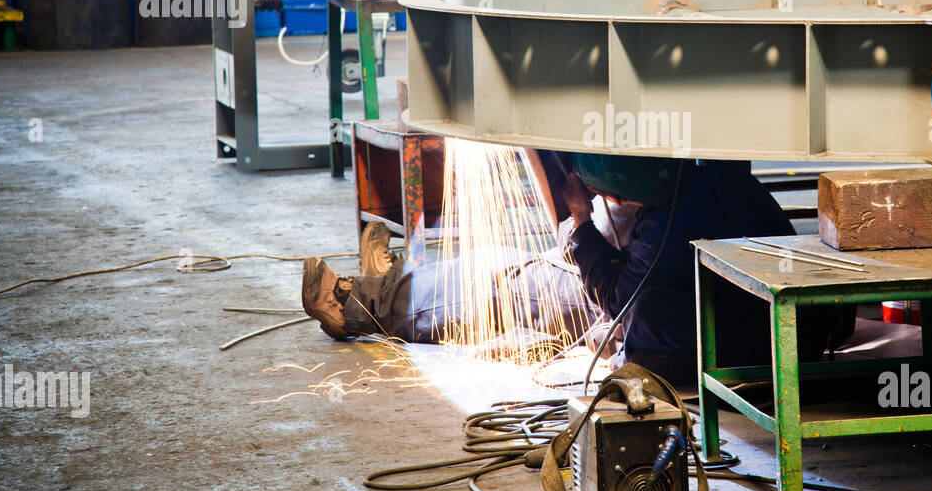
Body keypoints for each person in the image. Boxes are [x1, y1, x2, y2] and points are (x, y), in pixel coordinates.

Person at [301, 155, 844, 383]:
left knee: (513, 283)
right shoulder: (704, 181)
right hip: (705, 315)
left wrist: (580, 224)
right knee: (525, 270)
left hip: (681, 331)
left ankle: (361, 306)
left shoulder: (669, 224)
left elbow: (614, 294)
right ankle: (393, 286)